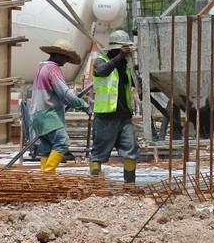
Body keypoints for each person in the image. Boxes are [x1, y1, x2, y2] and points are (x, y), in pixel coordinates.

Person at [29, 39, 89, 173]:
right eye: (66, 58)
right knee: (62, 142)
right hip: (48, 114)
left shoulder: (41, 67)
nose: (65, 61)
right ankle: (48, 174)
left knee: (47, 147)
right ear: (58, 55)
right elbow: (64, 93)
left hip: (37, 114)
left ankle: (45, 177)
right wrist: (82, 104)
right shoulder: (52, 69)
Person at [90, 30, 141, 184]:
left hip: (124, 117)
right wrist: (119, 57)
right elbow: (101, 71)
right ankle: (95, 186)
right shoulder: (101, 61)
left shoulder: (125, 66)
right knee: (98, 154)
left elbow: (132, 85)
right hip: (106, 116)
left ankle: (130, 186)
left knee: (131, 150)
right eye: (123, 51)